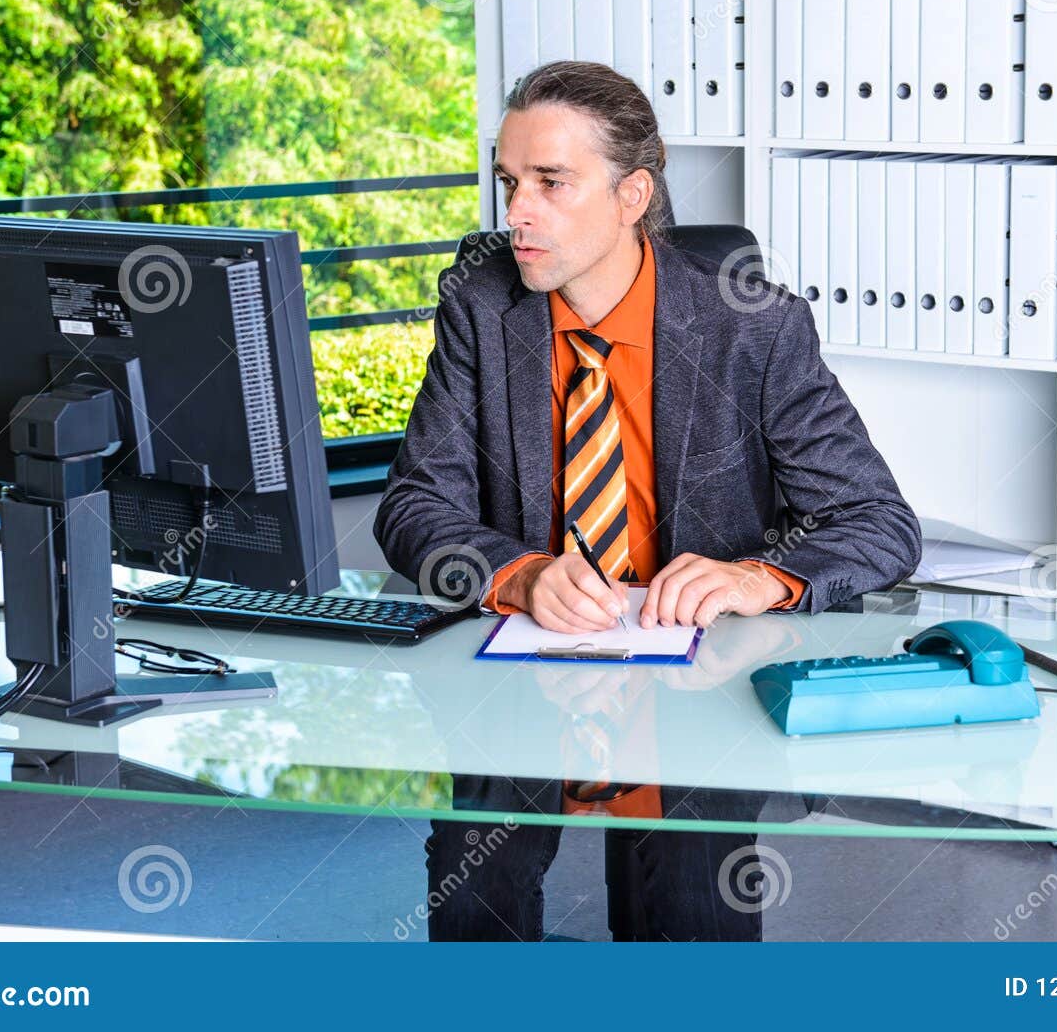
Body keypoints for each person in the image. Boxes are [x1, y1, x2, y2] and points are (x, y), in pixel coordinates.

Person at [374, 59, 922, 940]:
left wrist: (759, 578)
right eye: (510, 182)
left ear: (634, 194)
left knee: (690, 933)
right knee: (476, 903)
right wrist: (517, 574)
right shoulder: (480, 307)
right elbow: (412, 507)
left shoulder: (752, 325)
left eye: (552, 183)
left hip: (697, 686)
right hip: (525, 674)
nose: (516, 212)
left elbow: (878, 522)